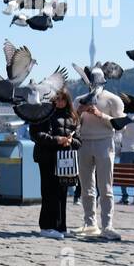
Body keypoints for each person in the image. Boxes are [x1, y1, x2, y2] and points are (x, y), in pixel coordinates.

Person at [71, 71, 125, 240]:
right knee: (86, 186)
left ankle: (107, 225)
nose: (93, 83)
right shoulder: (79, 99)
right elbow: (71, 123)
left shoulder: (113, 99)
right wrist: (79, 111)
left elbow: (121, 125)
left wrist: (100, 114)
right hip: (84, 142)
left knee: (106, 187)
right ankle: (89, 223)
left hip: (104, 142)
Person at [30, 89, 80, 239]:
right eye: (57, 99)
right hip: (47, 157)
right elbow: (36, 135)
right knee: (49, 191)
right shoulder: (43, 113)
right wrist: (57, 140)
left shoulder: (73, 117)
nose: (59, 102)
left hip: (65, 158)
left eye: (62, 99)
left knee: (62, 193)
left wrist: (71, 141)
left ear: (67, 101)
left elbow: (79, 141)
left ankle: (61, 226)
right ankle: (46, 226)